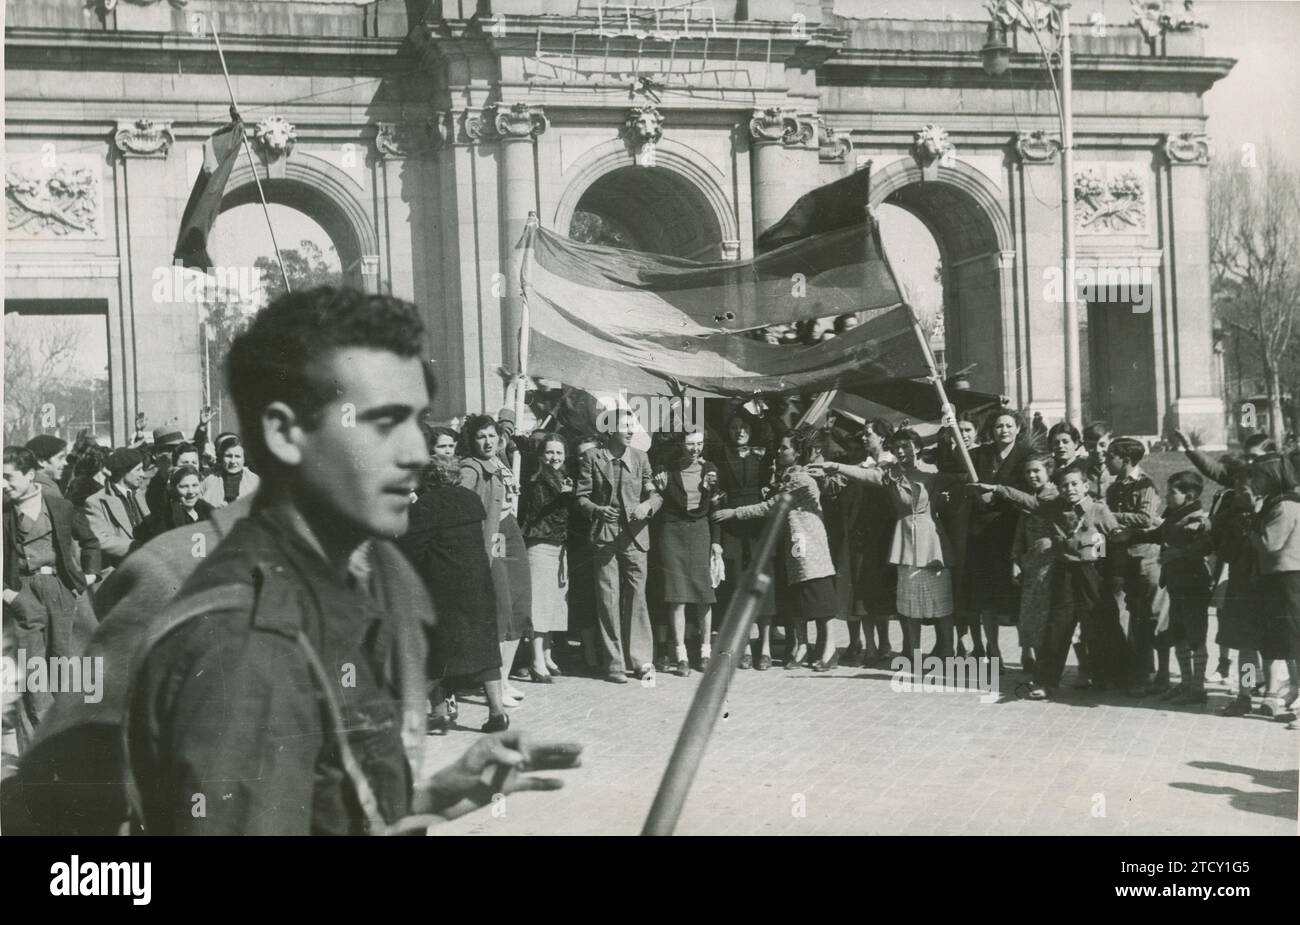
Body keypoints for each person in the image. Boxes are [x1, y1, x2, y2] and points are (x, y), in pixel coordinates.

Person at [123, 288, 581, 835]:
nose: (416, 452)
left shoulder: (379, 579)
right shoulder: (207, 608)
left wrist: (431, 798)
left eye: (419, 421)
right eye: (384, 422)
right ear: (284, 432)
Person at [979, 466, 1130, 699]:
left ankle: (1112, 678)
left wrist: (1118, 573)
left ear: (1085, 486)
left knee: (1101, 624)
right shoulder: (1055, 508)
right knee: (1057, 627)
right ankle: (1045, 682)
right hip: (1065, 574)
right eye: (1064, 486)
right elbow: (1029, 502)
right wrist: (999, 488)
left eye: (1074, 484)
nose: (1069, 489)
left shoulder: (1098, 510)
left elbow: (1117, 541)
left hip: (1092, 574)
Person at [814, 429, 961, 663]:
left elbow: (963, 476)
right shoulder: (890, 473)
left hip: (933, 542)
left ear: (918, 447)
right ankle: (913, 653)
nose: (901, 451)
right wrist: (837, 467)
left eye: (906, 446)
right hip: (904, 543)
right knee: (909, 603)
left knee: (940, 602)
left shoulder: (933, 471)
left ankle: (947, 651)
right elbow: (866, 476)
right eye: (897, 447)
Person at [400, 427, 509, 734]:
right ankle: (497, 713)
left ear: (430, 479)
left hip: (443, 592)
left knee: (435, 653)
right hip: (478, 586)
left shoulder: (425, 507)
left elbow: (412, 551)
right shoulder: (470, 500)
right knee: (486, 652)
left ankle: (431, 713)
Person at [2, 446, 102, 752]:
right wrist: (8, 594)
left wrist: (88, 576)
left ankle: (70, 747)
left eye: (8, 477)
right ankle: (38, 757)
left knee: (64, 668)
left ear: (30, 475)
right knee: (32, 675)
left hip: (59, 590)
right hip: (22, 595)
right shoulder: (3, 512)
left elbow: (91, 542)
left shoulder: (59, 506)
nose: (3, 484)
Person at [715, 427, 838, 671]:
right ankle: (802, 646)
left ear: (797, 452)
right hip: (795, 543)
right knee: (800, 594)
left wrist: (734, 513)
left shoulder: (800, 478)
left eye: (785, 448)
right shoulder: (787, 475)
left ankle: (830, 649)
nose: (779, 451)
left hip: (808, 542)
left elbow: (770, 506)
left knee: (818, 594)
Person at [576, 409, 663, 683]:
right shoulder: (592, 458)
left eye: (632, 426)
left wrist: (647, 506)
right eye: (624, 426)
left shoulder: (640, 457)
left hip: (636, 537)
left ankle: (641, 661)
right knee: (608, 599)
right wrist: (598, 510)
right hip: (605, 535)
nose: (630, 431)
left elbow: (654, 493)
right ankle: (614, 662)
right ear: (610, 430)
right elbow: (581, 498)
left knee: (637, 597)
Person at [459, 413, 532, 712]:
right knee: (500, 607)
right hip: (491, 538)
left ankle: (503, 678)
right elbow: (461, 504)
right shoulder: (471, 467)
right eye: (481, 437)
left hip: (511, 532)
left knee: (519, 604)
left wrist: (514, 386)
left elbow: (508, 423)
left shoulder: (500, 458)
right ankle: (493, 682)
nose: (487, 442)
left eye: (491, 436)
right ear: (471, 441)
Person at [1120, 471, 1213, 704]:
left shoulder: (1196, 518)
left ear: (1189, 495)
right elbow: (1156, 534)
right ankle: (1186, 682)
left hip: (1193, 585)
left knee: (1195, 636)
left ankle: (1198, 688)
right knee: (1179, 634)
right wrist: (1127, 537)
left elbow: (1207, 542)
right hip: (1175, 584)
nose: (1167, 496)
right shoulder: (1174, 515)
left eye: (1172, 492)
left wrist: (1184, 550)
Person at [651, 429, 724, 676]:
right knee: (677, 596)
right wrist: (659, 488)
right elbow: (660, 499)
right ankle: (680, 655)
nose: (695, 449)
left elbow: (716, 506)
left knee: (704, 595)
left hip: (700, 532)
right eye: (690, 444)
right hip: (672, 533)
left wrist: (716, 541)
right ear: (681, 444)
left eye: (699, 444)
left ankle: (704, 652)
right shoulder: (667, 469)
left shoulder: (710, 469)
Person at [964, 410, 1032, 664]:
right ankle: (994, 651)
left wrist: (1000, 494)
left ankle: (1027, 651)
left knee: (1019, 598)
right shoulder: (978, 455)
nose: (1003, 430)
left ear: (1017, 428)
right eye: (998, 426)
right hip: (983, 535)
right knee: (987, 599)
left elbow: (1030, 490)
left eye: (1008, 426)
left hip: (1014, 531)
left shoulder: (1026, 456)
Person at [714, 412, 777, 669]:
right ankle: (745, 647)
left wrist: (759, 408)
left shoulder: (762, 455)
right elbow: (718, 494)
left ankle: (765, 648)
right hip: (732, 528)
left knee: (764, 586)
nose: (739, 432)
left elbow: (775, 434)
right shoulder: (721, 455)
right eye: (734, 427)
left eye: (744, 427)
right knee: (739, 588)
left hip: (758, 526)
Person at [1103, 437, 1165, 695]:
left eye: (1111, 456)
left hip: (1146, 559)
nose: (1107, 460)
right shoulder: (1114, 486)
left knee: (1149, 617)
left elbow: (1146, 518)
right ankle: (1136, 672)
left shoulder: (1145, 484)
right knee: (1132, 616)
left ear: (1125, 459)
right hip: (1122, 559)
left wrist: (1109, 515)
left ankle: (1154, 674)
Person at [1242, 465, 1300, 723]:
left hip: (1288, 578)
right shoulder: (1277, 504)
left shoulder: (1284, 507)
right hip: (1277, 578)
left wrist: (1251, 527)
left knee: (1294, 639)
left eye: (1258, 477)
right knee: (1284, 641)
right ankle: (1291, 694)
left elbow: (1269, 544)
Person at [518, 433, 575, 682]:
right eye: (550, 452)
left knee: (554, 603)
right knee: (540, 606)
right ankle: (536, 661)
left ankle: (547, 654)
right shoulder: (537, 478)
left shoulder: (564, 477)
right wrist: (564, 496)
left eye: (559, 453)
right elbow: (541, 508)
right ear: (542, 455)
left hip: (558, 547)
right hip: (540, 545)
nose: (554, 457)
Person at [1010, 453, 1058, 675]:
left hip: (1051, 565)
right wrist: (1015, 560)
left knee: (1045, 616)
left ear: (1048, 471)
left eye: (1036, 471)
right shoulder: (1030, 495)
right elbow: (1020, 531)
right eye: (1028, 472)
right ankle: (1029, 655)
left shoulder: (1056, 496)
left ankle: (1044, 666)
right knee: (1028, 613)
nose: (1031, 475)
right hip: (1030, 564)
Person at [82, 447, 150, 568]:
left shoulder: (141, 495)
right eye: (138, 469)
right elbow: (101, 539)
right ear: (123, 471)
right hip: (119, 570)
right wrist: (138, 546)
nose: (143, 474)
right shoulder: (95, 502)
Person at [136, 465, 214, 545]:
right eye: (184, 486)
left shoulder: (209, 513)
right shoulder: (166, 517)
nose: (191, 491)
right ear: (173, 490)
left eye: (195, 485)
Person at [200, 435, 260, 507]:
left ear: (244, 459)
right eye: (228, 456)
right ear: (222, 457)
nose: (233, 461)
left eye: (237, 456)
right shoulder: (209, 480)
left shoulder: (255, 482)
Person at [25, 435, 69, 500]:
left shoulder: (29, 483)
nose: (66, 463)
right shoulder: (48, 490)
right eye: (60, 458)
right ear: (41, 461)